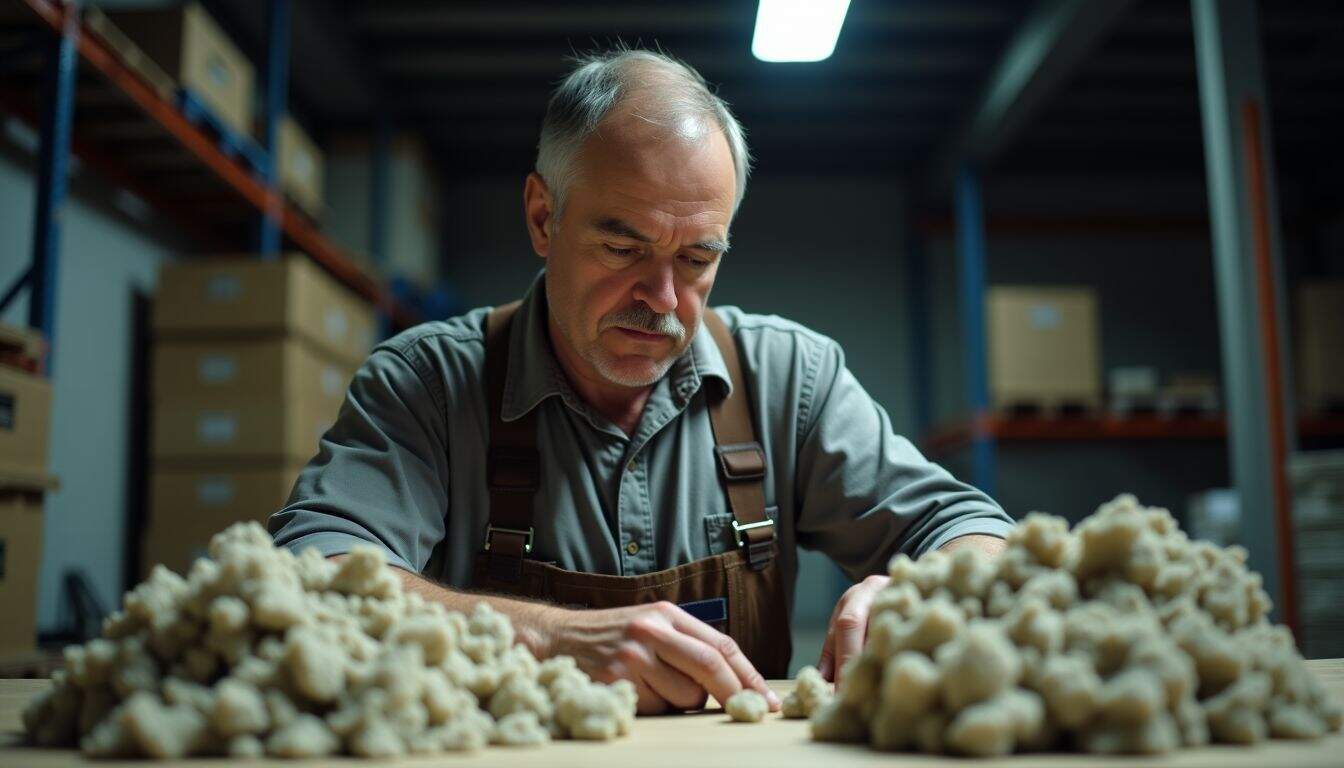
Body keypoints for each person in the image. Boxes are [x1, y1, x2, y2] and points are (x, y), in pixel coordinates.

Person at [270, 49, 1012, 715]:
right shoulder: (427, 384)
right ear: (541, 217)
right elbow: (308, 568)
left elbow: (976, 532)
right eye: (622, 246)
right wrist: (548, 637)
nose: (660, 297)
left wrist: (917, 591)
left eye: (695, 260)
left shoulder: (791, 378)